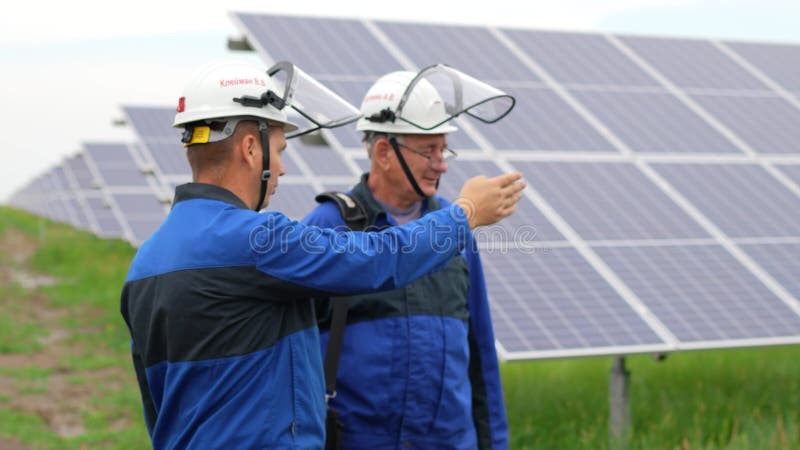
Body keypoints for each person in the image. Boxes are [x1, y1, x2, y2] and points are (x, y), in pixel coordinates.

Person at [119, 59, 525, 450]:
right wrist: (466, 214)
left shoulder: (145, 263)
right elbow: (374, 259)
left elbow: (159, 407)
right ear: (249, 148)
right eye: (278, 150)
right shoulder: (258, 241)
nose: (282, 170)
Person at [302, 65, 516, 450]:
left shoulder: (457, 230)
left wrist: (494, 443)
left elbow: (480, 350)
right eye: (429, 150)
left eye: (443, 148)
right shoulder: (329, 226)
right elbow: (294, 356)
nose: (442, 162)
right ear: (383, 152)